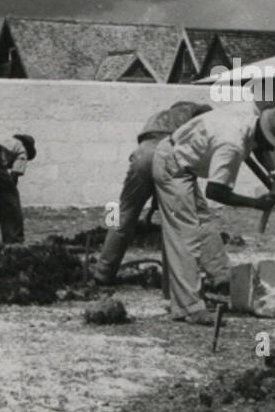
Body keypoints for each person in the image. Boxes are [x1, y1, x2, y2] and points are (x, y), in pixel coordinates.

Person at [151, 103, 275, 325]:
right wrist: (256, 203)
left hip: (182, 162)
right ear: (265, 133)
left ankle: (176, 297)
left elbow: (258, 146)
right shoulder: (232, 146)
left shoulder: (251, 116)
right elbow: (216, 191)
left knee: (196, 227)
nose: (269, 148)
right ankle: (190, 309)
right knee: (185, 235)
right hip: (173, 165)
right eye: (271, 143)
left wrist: (273, 172)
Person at [91, 100, 213, 284]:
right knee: (189, 219)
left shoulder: (159, 117)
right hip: (169, 156)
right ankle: (201, 277)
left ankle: (102, 272)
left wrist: (153, 205)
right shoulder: (197, 115)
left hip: (142, 155)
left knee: (123, 214)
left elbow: (151, 156)